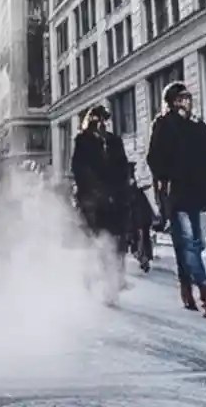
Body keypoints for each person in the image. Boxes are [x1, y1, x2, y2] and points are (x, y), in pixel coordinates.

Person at [147, 82, 206, 318]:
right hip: (178, 194)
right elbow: (154, 158)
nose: (186, 103)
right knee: (189, 245)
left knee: (196, 244)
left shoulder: (198, 126)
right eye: (181, 99)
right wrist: (170, 177)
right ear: (172, 102)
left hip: (200, 195)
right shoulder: (163, 124)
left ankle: (186, 285)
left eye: (187, 98)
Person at [71, 104, 132, 304]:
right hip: (93, 200)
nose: (102, 123)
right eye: (98, 119)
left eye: (105, 119)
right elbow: (79, 169)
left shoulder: (114, 141)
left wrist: (121, 190)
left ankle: (111, 281)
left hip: (115, 199)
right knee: (98, 240)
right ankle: (97, 278)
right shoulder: (83, 141)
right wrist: (95, 191)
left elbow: (123, 167)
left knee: (114, 241)